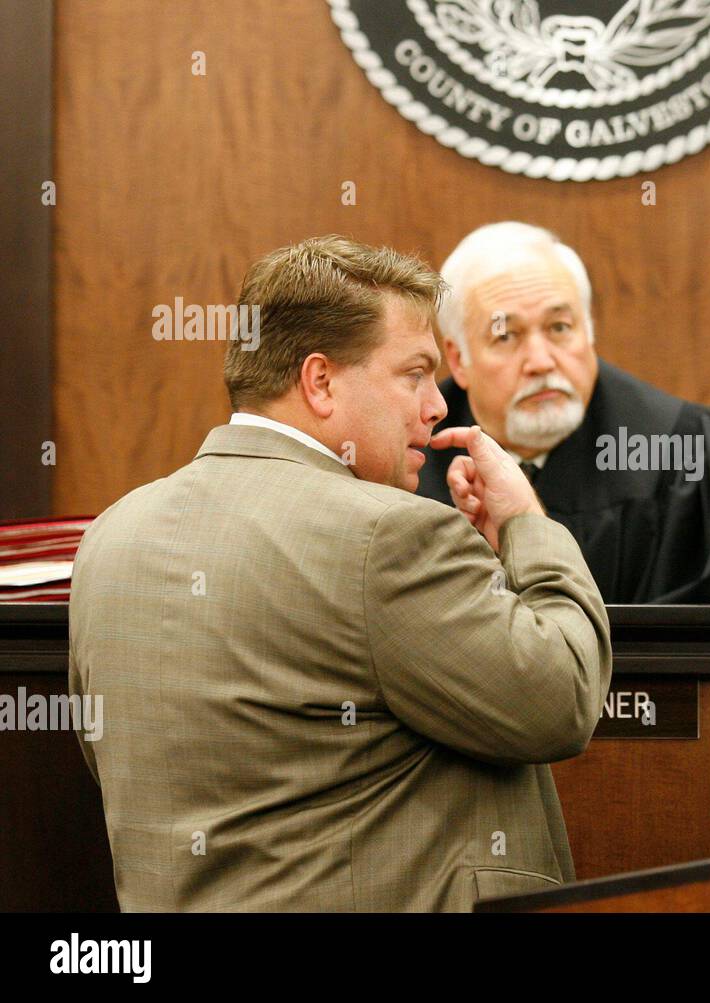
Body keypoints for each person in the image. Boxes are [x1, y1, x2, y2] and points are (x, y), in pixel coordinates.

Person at [68, 235, 612, 911]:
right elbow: (561, 697)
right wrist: (526, 524)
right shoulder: (389, 534)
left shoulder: (111, 538)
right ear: (320, 381)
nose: (438, 405)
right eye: (414, 373)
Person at [417, 221, 710, 604]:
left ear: (589, 332)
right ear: (459, 360)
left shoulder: (679, 450)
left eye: (560, 327)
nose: (541, 362)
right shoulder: (411, 458)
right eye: (506, 336)